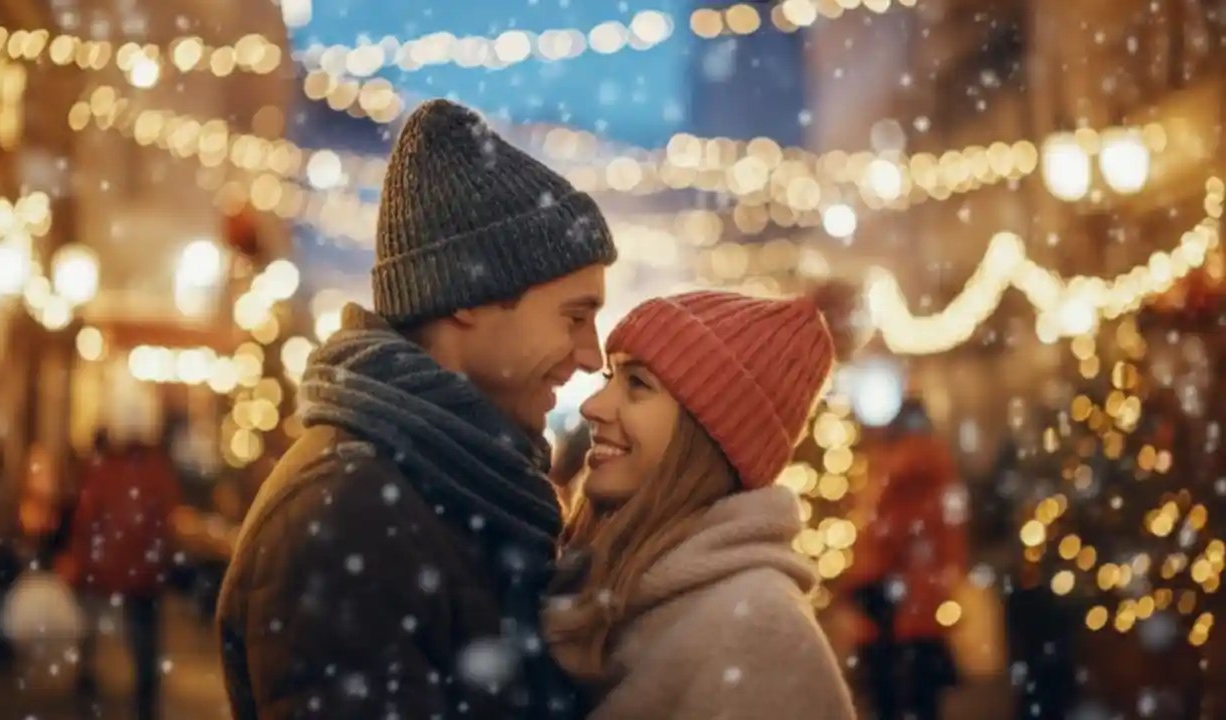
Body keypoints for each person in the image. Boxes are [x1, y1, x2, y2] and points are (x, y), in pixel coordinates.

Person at [216, 98, 617, 720]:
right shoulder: (347, 511)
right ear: (470, 298)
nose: (592, 356)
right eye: (575, 317)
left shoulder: (454, 481)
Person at [542, 286, 861, 719]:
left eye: (637, 383)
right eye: (609, 379)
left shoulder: (760, 632)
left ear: (706, 434)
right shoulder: (614, 589)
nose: (594, 406)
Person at [841, 399, 966, 720]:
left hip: (890, 594)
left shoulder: (894, 468)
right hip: (917, 598)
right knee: (920, 694)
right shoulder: (936, 467)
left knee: (891, 692)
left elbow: (884, 534)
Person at [66, 428, 181, 720]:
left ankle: (87, 677)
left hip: (107, 566)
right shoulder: (156, 472)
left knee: (91, 621)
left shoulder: (104, 472)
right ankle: (146, 695)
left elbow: (87, 517)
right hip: (144, 569)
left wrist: (83, 557)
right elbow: (167, 519)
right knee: (144, 635)